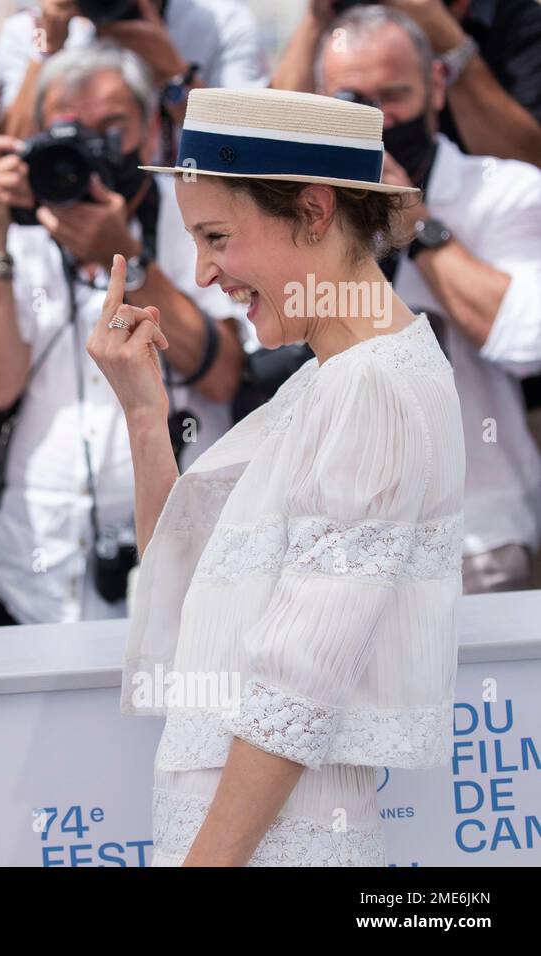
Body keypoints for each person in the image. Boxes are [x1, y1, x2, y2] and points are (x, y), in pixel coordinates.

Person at [102, 87, 464, 865]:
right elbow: (190, 581)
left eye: (217, 236)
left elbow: (299, 688)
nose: (203, 273)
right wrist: (142, 413)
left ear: (312, 209)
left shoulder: (370, 387)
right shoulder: (330, 381)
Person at [0, 45, 244, 627]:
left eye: (112, 129)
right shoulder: (14, 227)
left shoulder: (198, 213)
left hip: (185, 552)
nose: (90, 151)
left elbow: (222, 374)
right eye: (70, 131)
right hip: (31, 568)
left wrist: (129, 260)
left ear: (150, 131)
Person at [315, 5, 541, 592]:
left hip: (476, 535)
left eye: (395, 96)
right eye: (353, 101)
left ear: (438, 86)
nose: (378, 120)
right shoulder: (303, 209)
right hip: (336, 541)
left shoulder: (505, 191)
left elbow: (523, 339)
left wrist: (416, 223)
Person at [273, 0, 541, 167]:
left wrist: (452, 45)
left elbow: (529, 161)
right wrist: (316, 17)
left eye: (393, 95)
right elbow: (272, 143)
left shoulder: (518, 21)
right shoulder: (339, 11)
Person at [0, 0, 268, 141]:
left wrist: (175, 75)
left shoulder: (223, 25)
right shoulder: (30, 30)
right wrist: (45, 46)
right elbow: (16, 152)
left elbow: (247, 152)